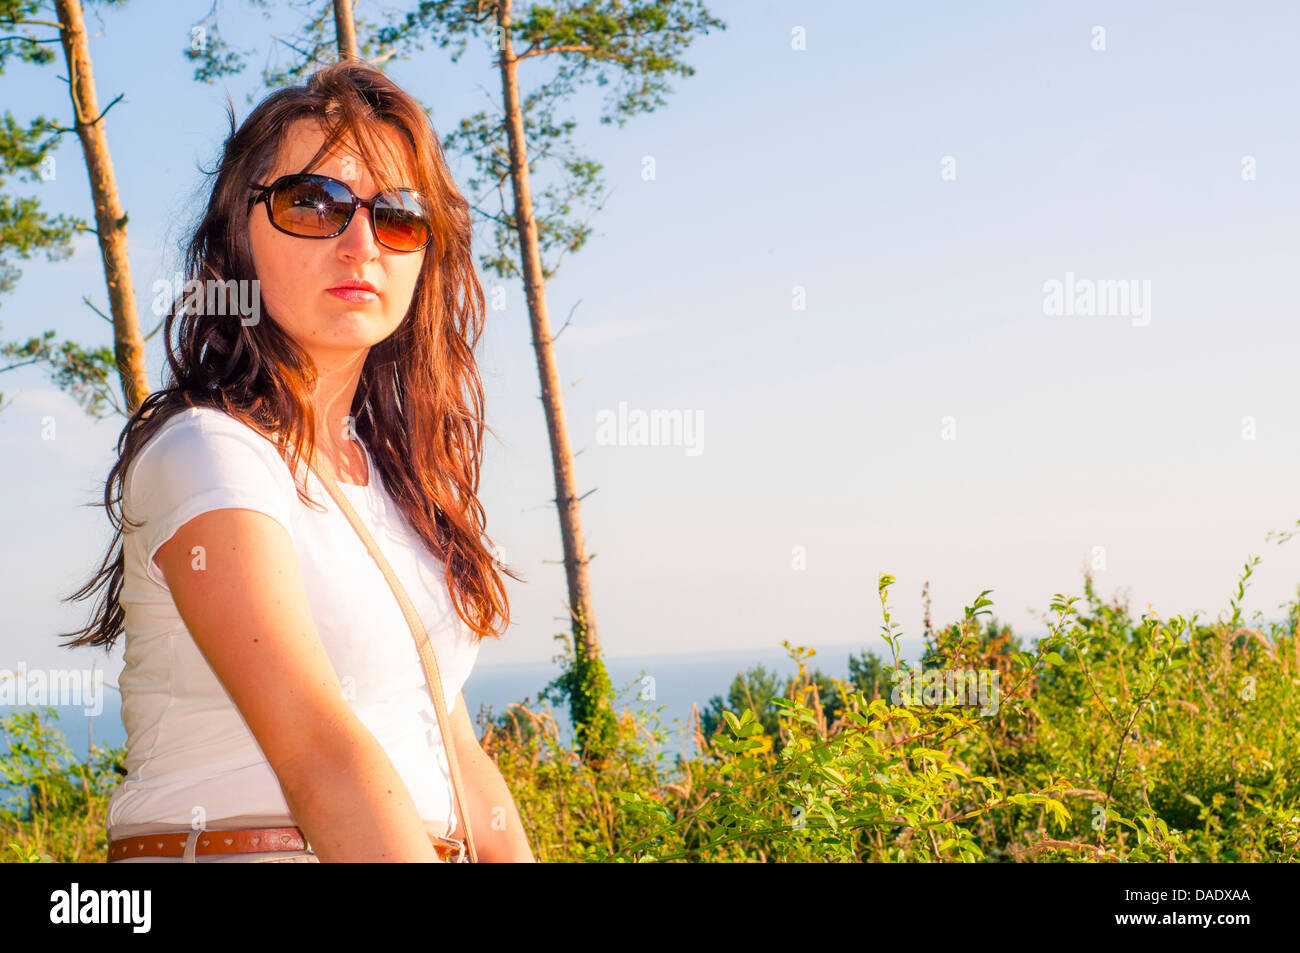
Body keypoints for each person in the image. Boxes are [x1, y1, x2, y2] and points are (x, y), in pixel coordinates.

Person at [60, 61, 535, 863]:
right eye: (313, 203)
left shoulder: (397, 489)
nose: (361, 243)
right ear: (237, 236)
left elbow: (463, 767)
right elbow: (322, 755)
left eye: (399, 215)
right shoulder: (209, 454)